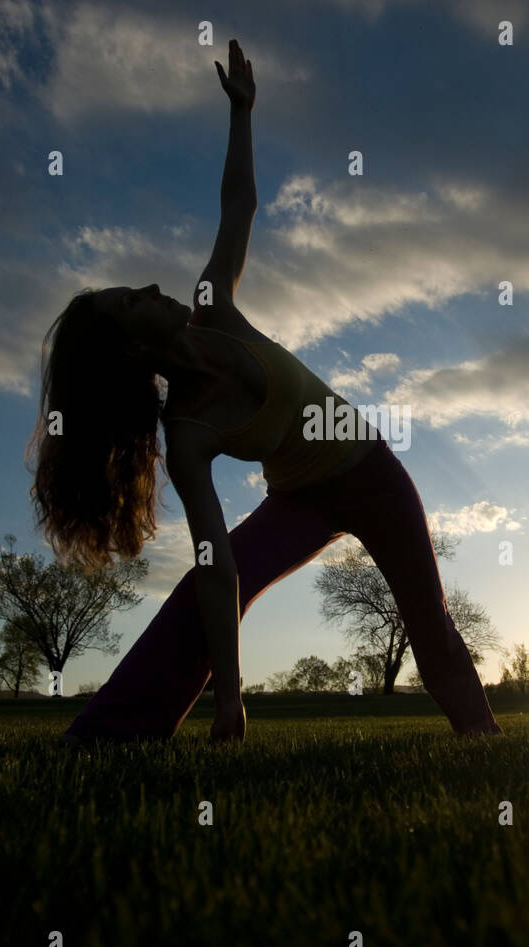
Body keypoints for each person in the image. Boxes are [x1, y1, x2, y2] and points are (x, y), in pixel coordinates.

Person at [28, 40, 501, 745]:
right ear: (132, 349)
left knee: (426, 617)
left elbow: (238, 204)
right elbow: (219, 573)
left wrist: (242, 113)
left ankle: (483, 743)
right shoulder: (189, 432)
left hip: (371, 471)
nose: (152, 289)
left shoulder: (213, 306)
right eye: (133, 301)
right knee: (201, 590)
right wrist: (231, 697)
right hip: (301, 502)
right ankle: (108, 736)